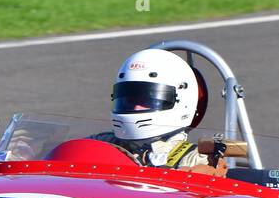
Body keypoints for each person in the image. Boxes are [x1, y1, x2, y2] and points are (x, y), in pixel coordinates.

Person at [94, 49, 228, 175]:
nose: (135, 108)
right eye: (129, 100)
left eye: (146, 100)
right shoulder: (102, 143)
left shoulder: (195, 159)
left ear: (182, 100)